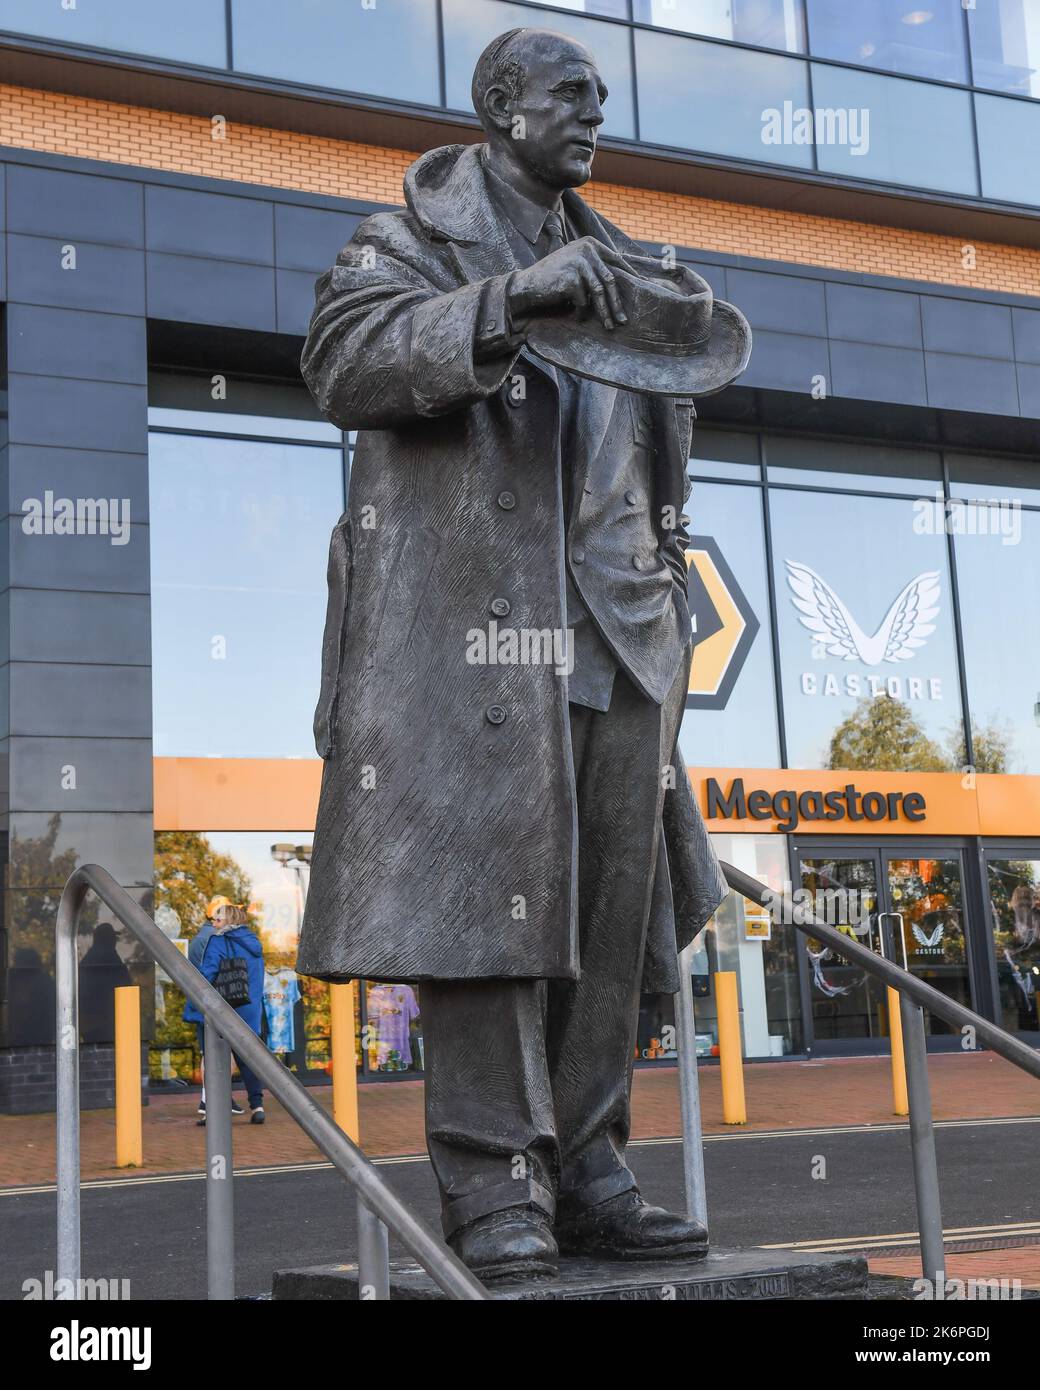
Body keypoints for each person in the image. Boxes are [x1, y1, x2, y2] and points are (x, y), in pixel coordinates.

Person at [297, 26, 744, 1280]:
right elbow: (341, 360)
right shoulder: (416, 237)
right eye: (567, 97)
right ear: (500, 108)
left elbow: (653, 460)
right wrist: (504, 302)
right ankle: (495, 1186)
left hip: (617, 634)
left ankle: (590, 1167)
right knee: (484, 912)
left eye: (599, 101)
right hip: (480, 641)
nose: (592, 118)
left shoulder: (623, 263)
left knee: (608, 915)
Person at [184, 903, 267, 1124]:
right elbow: (257, 980)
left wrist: (193, 1003)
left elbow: (208, 973)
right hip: (248, 1010)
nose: (213, 922)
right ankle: (257, 1105)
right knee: (247, 1059)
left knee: (214, 1059)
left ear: (229, 921)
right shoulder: (254, 944)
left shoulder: (218, 940)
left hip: (222, 1009)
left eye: (218, 919)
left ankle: (213, 1110)